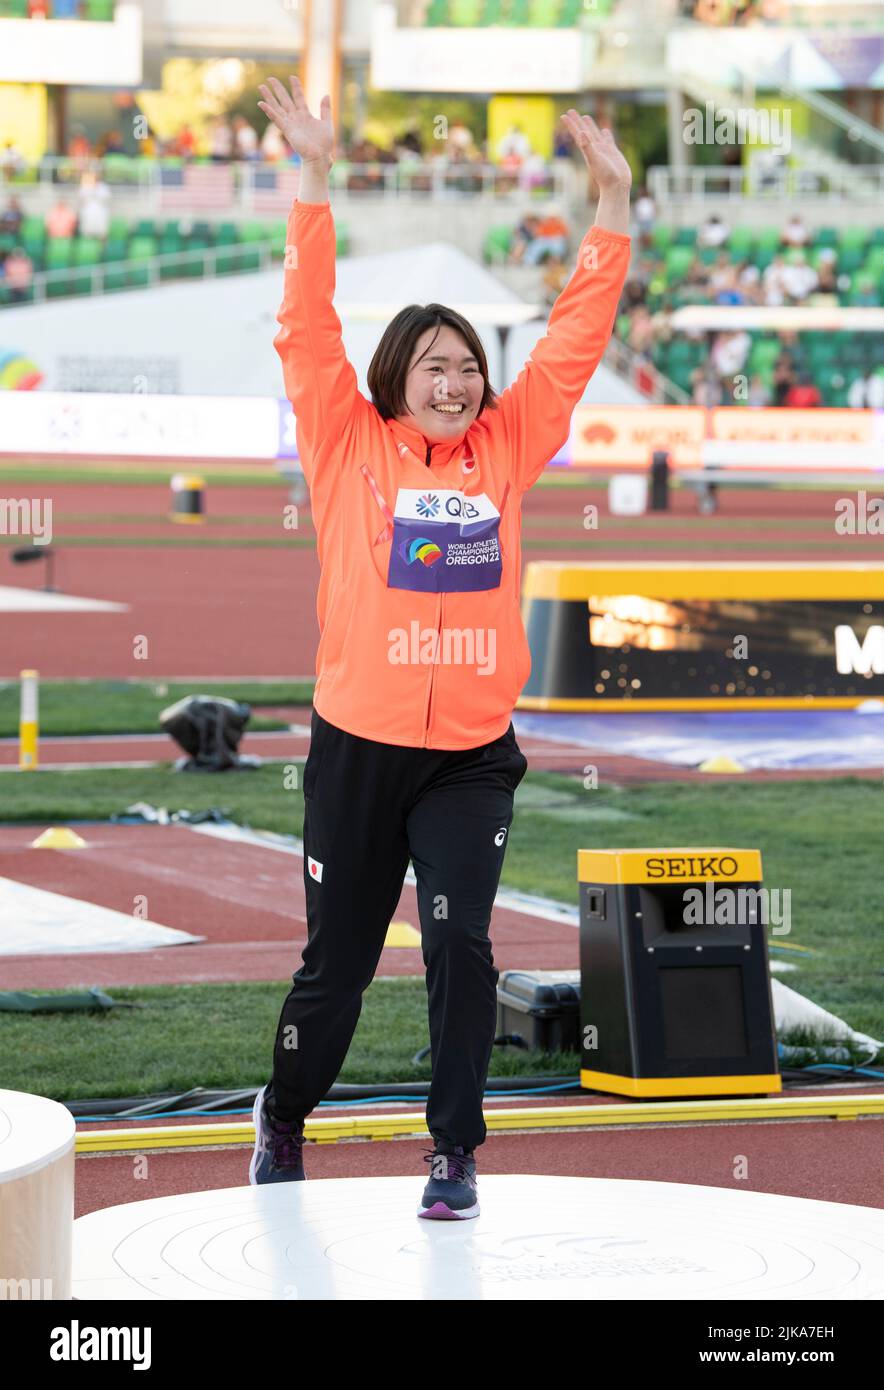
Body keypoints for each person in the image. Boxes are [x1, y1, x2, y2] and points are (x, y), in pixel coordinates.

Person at [252, 74, 631, 1218]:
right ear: (395, 382)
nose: (459, 383)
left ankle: (452, 1152)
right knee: (338, 969)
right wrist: (312, 176)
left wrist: (611, 201)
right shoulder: (343, 444)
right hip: (356, 749)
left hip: (470, 755)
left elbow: (570, 343)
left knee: (461, 947)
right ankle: (283, 1112)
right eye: (436, 367)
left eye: (468, 366)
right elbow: (304, 323)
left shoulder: (507, 447)